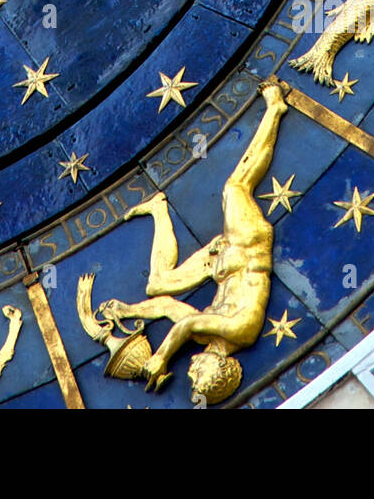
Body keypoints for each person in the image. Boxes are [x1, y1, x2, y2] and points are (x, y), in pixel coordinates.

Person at [101, 79, 289, 405]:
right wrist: (160, 357)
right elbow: (187, 322)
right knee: (236, 186)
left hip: (222, 260)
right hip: (248, 246)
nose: (190, 373)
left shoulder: (206, 335)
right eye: (198, 377)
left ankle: (158, 209)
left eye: (189, 380)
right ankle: (275, 109)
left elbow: (167, 307)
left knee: (158, 285)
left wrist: (130, 310)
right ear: (218, 368)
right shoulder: (241, 331)